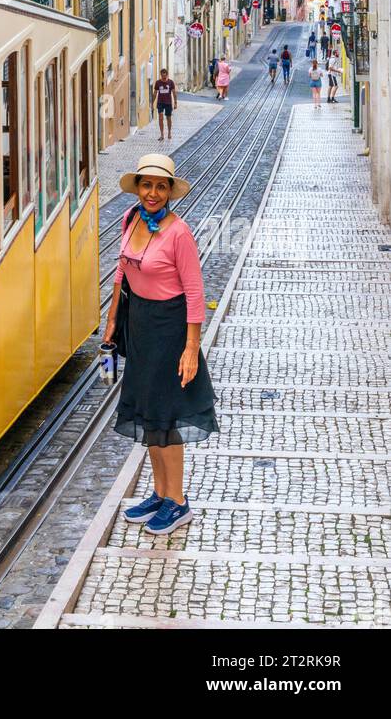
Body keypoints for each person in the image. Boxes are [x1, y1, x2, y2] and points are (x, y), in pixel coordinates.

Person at [102, 154, 218, 536]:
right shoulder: (131, 219)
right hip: (139, 327)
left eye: (160, 186)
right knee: (149, 411)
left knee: (167, 415)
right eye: (147, 185)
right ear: (137, 187)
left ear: (169, 192)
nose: (153, 193)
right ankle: (159, 491)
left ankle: (178, 501)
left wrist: (190, 347)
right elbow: (122, 270)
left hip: (169, 328)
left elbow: (196, 291)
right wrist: (113, 319)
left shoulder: (178, 232)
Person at [153, 68, 177, 141]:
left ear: (167, 75)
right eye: (162, 75)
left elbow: (174, 93)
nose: (164, 77)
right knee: (160, 117)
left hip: (168, 103)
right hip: (160, 102)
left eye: (165, 75)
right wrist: (152, 103)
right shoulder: (158, 83)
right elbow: (155, 93)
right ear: (161, 75)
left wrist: (175, 103)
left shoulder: (171, 82)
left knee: (168, 118)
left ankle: (169, 132)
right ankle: (162, 134)